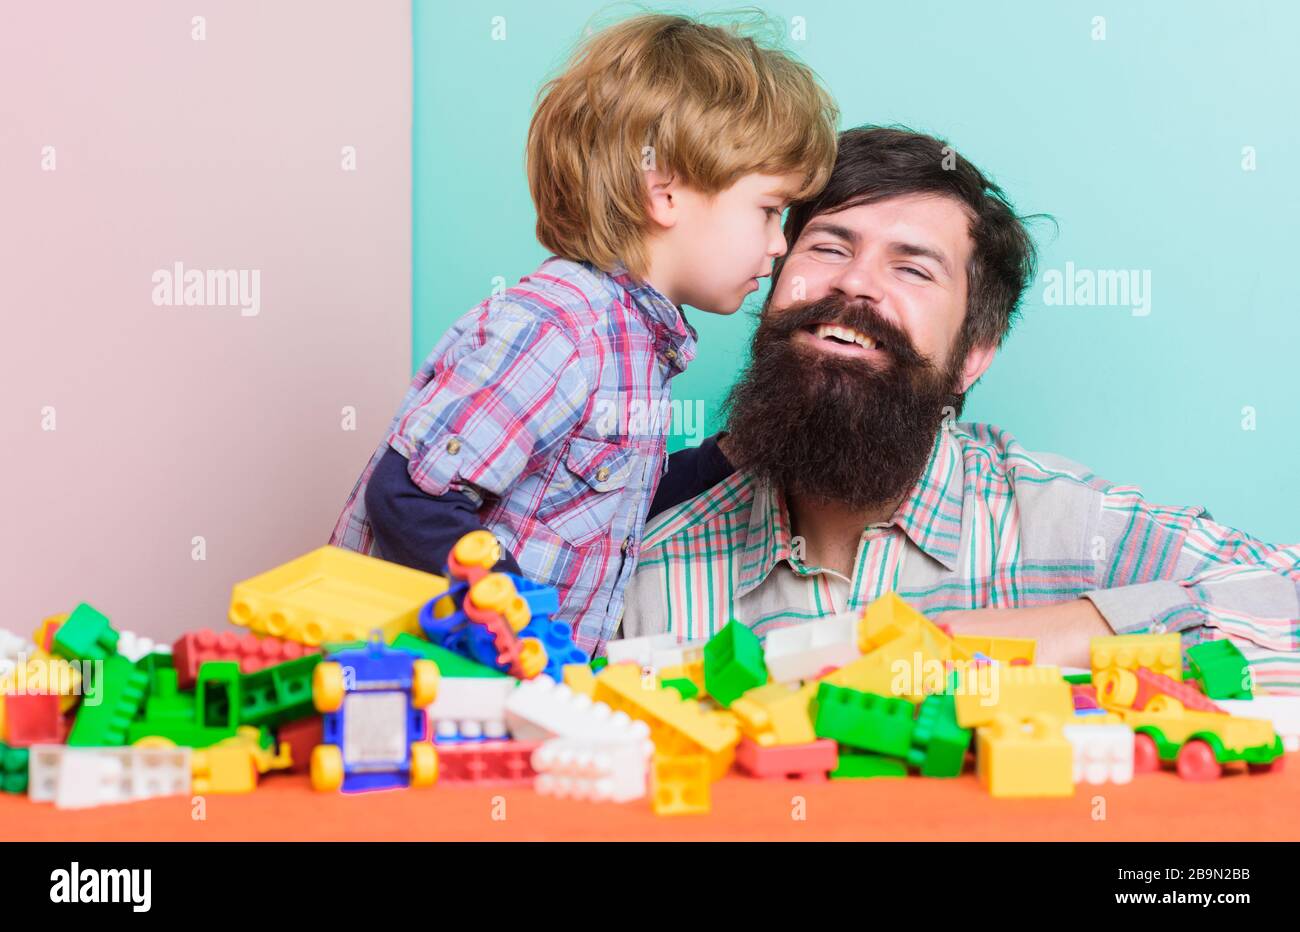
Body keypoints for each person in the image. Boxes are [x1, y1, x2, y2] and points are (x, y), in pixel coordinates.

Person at [621, 126, 1300, 686]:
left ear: (973, 354)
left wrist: (1010, 639)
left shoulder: (1062, 527)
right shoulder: (643, 569)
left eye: (913, 268)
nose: (856, 282)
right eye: (828, 247)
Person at [329, 14, 838, 656]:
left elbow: (610, 503)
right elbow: (408, 495)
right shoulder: (561, 332)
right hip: (414, 671)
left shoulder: (634, 346)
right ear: (665, 193)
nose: (780, 244)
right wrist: (517, 621)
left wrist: (737, 452)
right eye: (769, 211)